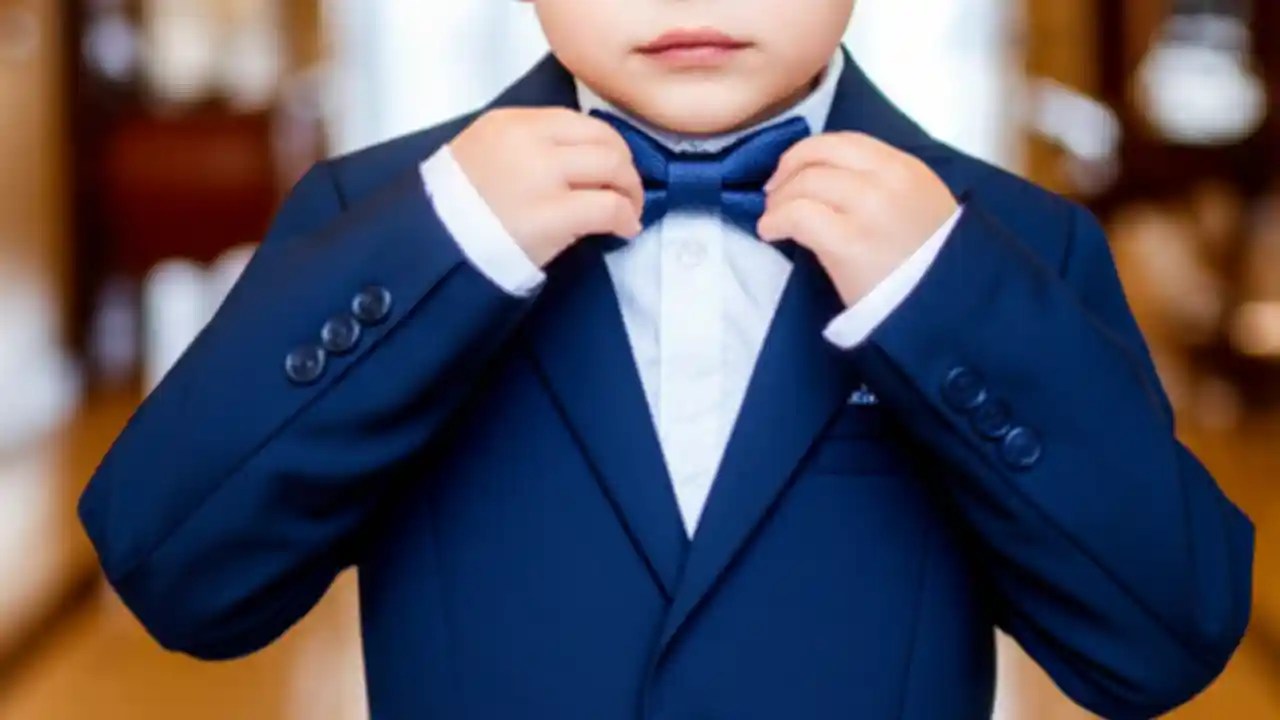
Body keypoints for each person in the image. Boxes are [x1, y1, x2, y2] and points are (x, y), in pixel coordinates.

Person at [78, 1, 1254, 718]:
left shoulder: (1012, 247)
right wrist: (442, 250)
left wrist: (943, 302)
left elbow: (1161, 641)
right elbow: (180, 572)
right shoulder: (374, 217)